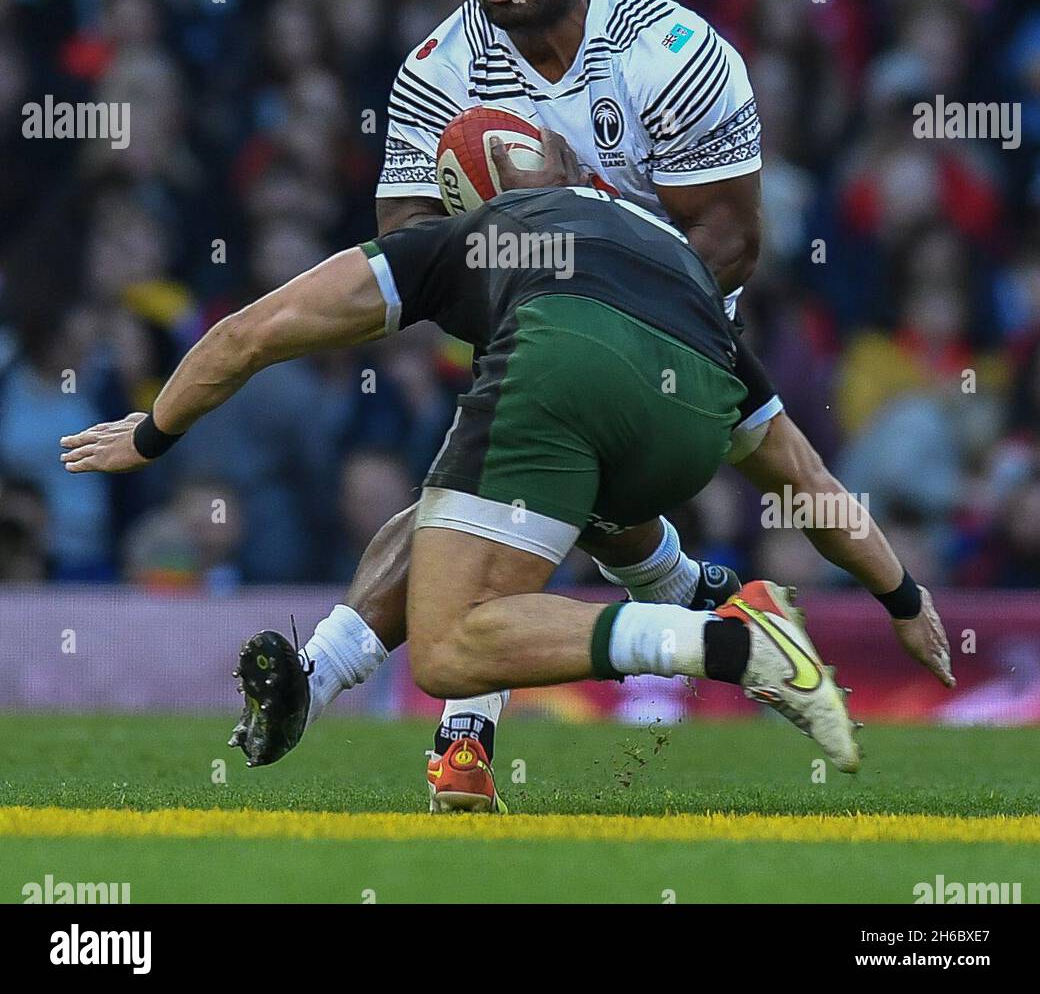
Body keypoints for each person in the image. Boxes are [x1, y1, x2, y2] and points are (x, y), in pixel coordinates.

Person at [306, 0, 951, 806]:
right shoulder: (436, 68)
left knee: (498, 522)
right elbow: (408, 242)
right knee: (523, 515)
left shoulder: (672, 53)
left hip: (683, 341)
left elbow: (730, 239)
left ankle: (694, 617)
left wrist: (599, 280)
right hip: (549, 343)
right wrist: (532, 275)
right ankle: (479, 733)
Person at [62, 187, 953, 801]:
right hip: (688, 416)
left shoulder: (462, 236)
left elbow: (251, 333)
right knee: (485, 513)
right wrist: (903, 598)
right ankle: (441, 715)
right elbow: (811, 483)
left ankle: (727, 642)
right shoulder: (667, 260)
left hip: (561, 370)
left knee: (451, 639)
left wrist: (151, 433)